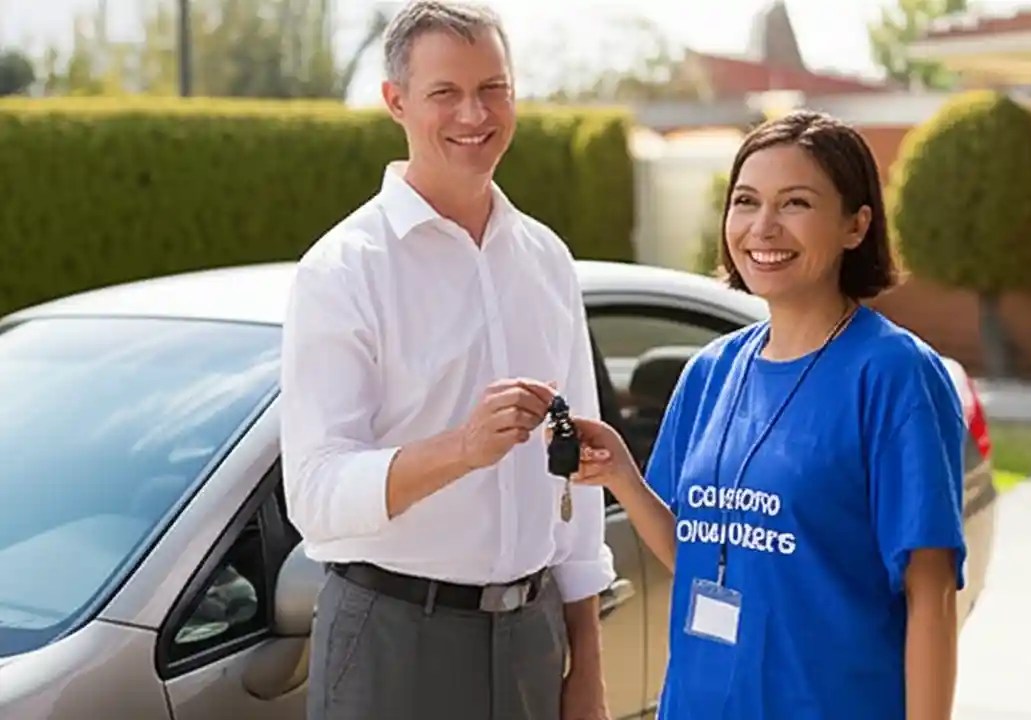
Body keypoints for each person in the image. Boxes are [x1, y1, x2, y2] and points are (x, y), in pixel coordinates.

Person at [560, 111, 967, 720]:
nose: (763, 227)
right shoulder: (711, 372)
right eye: (745, 201)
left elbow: (930, 594)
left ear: (856, 225)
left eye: (795, 203)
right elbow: (698, 551)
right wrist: (622, 473)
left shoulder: (893, 373)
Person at [279, 2, 613, 719]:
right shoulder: (342, 270)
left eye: (494, 87)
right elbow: (313, 493)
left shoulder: (547, 260)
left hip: (533, 637)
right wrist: (460, 450)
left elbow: (575, 479)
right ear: (396, 102)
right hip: (389, 641)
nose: (475, 113)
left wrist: (586, 665)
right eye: (446, 93)